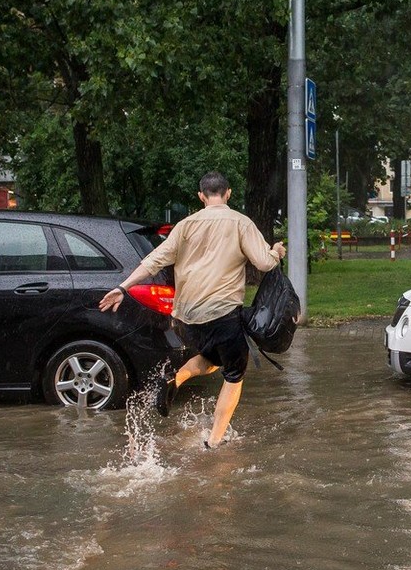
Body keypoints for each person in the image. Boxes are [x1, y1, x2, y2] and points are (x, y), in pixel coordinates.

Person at [97, 172, 286, 449]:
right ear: (228, 193)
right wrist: (276, 252)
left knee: (212, 359)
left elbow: (154, 260)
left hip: (186, 319)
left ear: (201, 196)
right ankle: (215, 441)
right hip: (222, 314)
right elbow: (264, 263)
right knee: (235, 374)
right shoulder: (240, 222)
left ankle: (175, 378)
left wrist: (122, 287)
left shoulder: (185, 225)